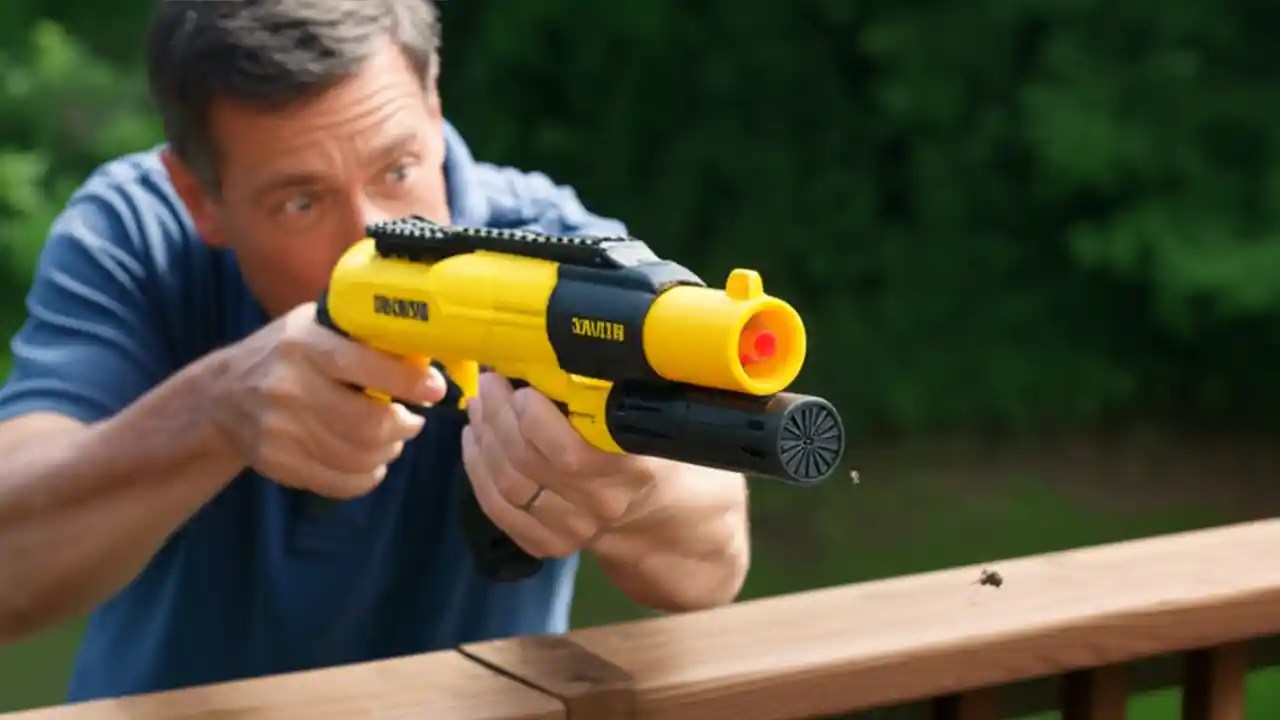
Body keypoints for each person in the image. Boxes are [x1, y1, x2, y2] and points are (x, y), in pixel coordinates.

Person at [0, 0, 749, 703]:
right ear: (199, 199)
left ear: (434, 105)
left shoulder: (555, 256)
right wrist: (213, 413)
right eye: (302, 201)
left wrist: (634, 491)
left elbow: (712, 564)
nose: (372, 236)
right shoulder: (136, 235)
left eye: (396, 171)